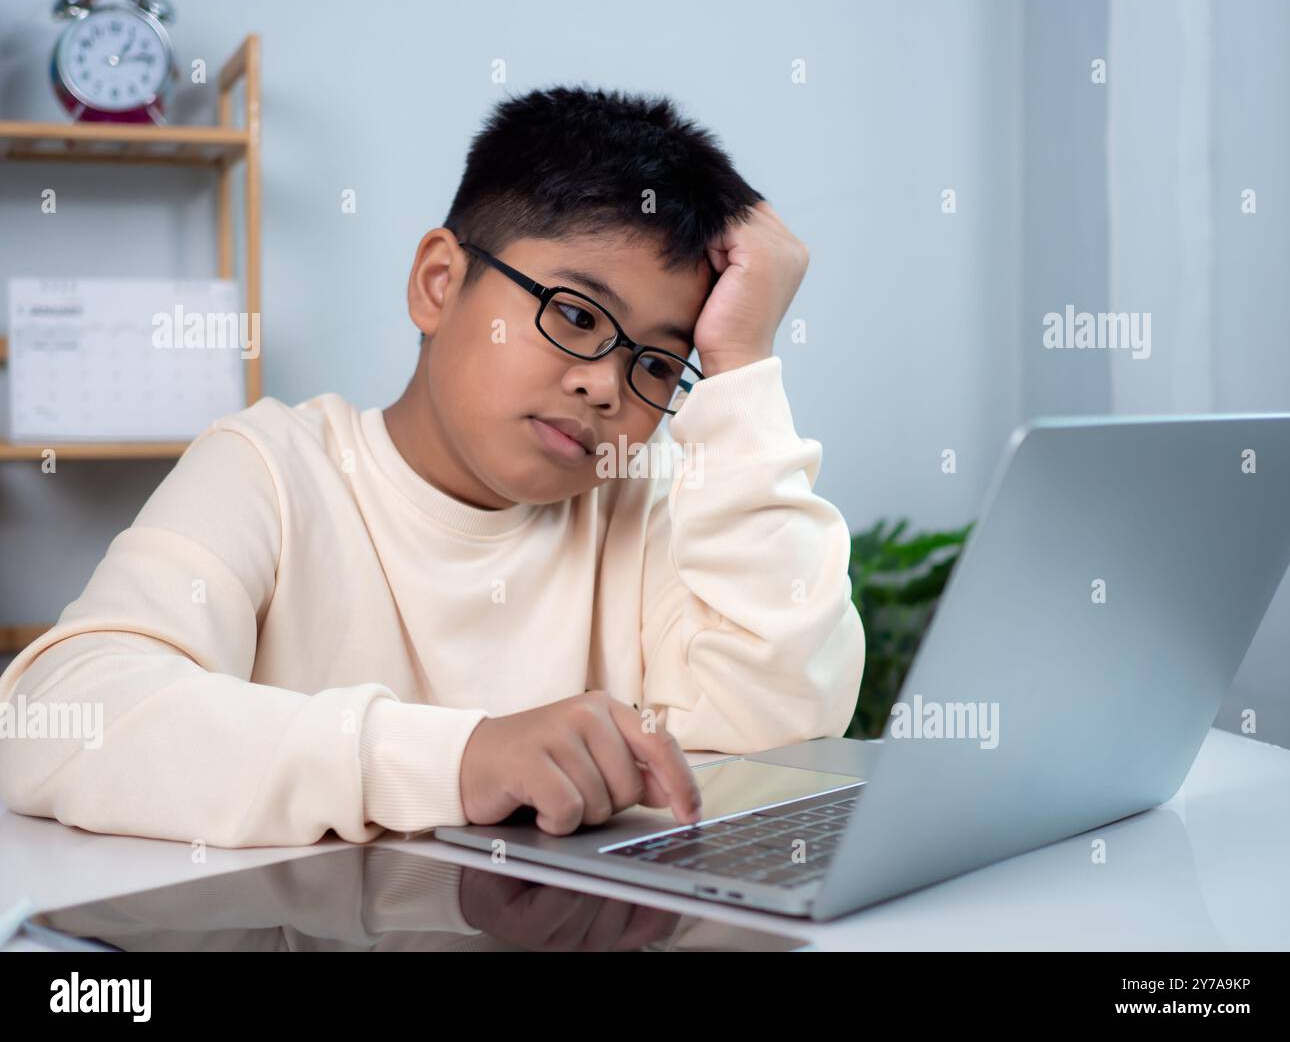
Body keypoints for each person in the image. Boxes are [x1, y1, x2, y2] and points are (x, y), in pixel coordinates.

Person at [0, 85, 866, 848]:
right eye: (574, 315)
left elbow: (781, 724)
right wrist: (458, 757)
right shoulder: (271, 470)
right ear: (439, 283)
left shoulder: (649, 501)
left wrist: (742, 361)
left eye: (657, 366)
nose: (606, 384)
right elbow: (56, 718)